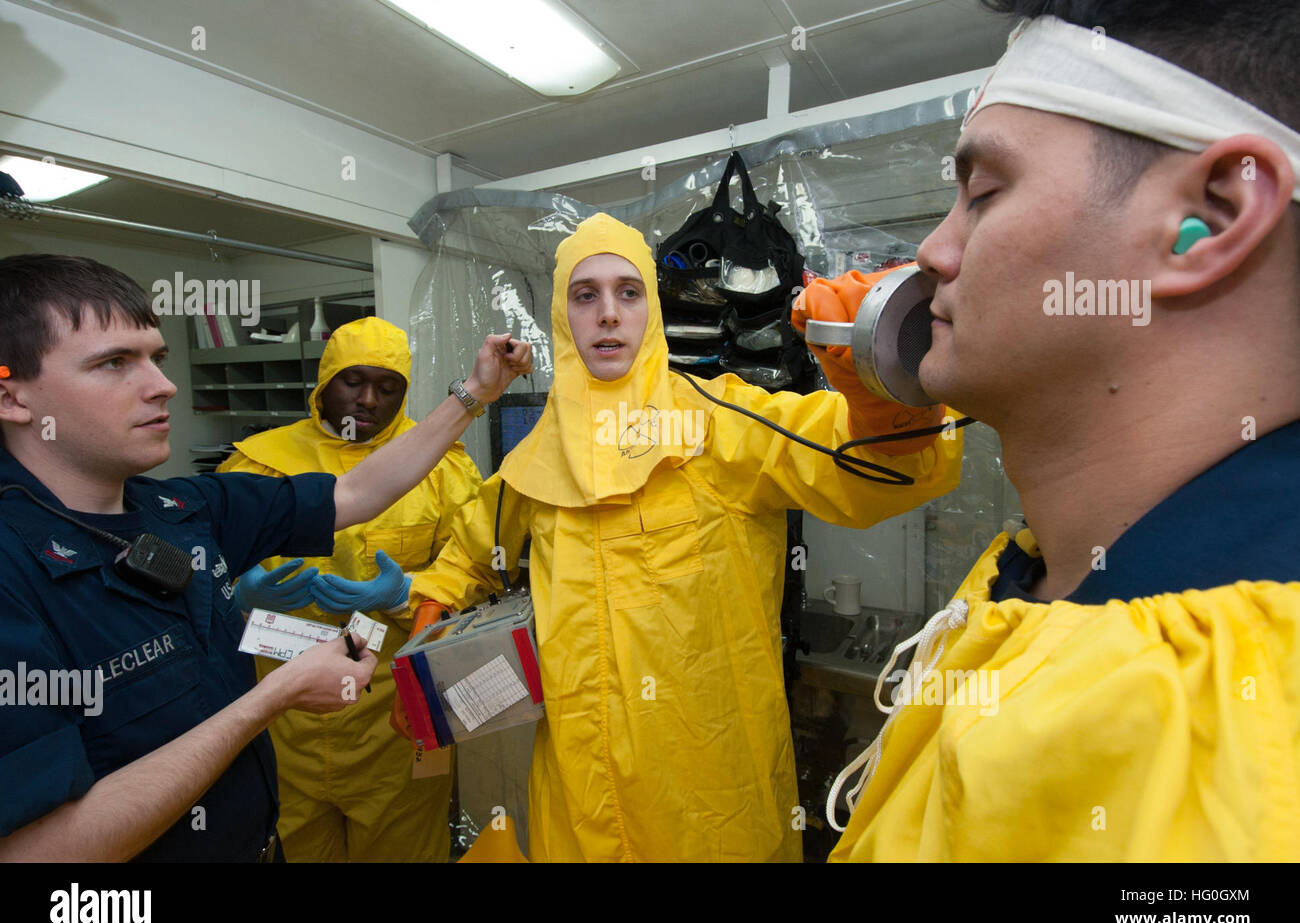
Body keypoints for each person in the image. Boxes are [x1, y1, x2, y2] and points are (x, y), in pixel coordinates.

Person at [825, 2, 1300, 861]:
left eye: (983, 193)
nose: (932, 251)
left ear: (1215, 215)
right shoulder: (1037, 584)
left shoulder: (1265, 729)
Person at [393, 212, 963, 862]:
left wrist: (884, 385)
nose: (608, 313)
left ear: (651, 309)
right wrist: (433, 604)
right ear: (562, 314)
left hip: (707, 802)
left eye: (628, 292)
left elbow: (873, 466)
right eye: (586, 295)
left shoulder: (722, 422)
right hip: (576, 800)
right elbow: (475, 537)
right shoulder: (539, 458)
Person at [0, 254, 531, 861]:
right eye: (114, 362)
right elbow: (38, 851)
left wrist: (477, 393)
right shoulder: (15, 574)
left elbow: (354, 492)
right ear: (12, 397)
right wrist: (272, 695)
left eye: (156, 357)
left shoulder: (183, 508)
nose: (164, 385)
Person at [217, 317, 481, 862]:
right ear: (323, 383)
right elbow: (199, 578)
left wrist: (405, 592)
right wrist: (239, 596)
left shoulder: (441, 470)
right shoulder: (258, 464)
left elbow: (478, 579)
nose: (366, 401)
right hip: (284, 715)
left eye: (387, 389)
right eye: (352, 382)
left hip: (394, 718)